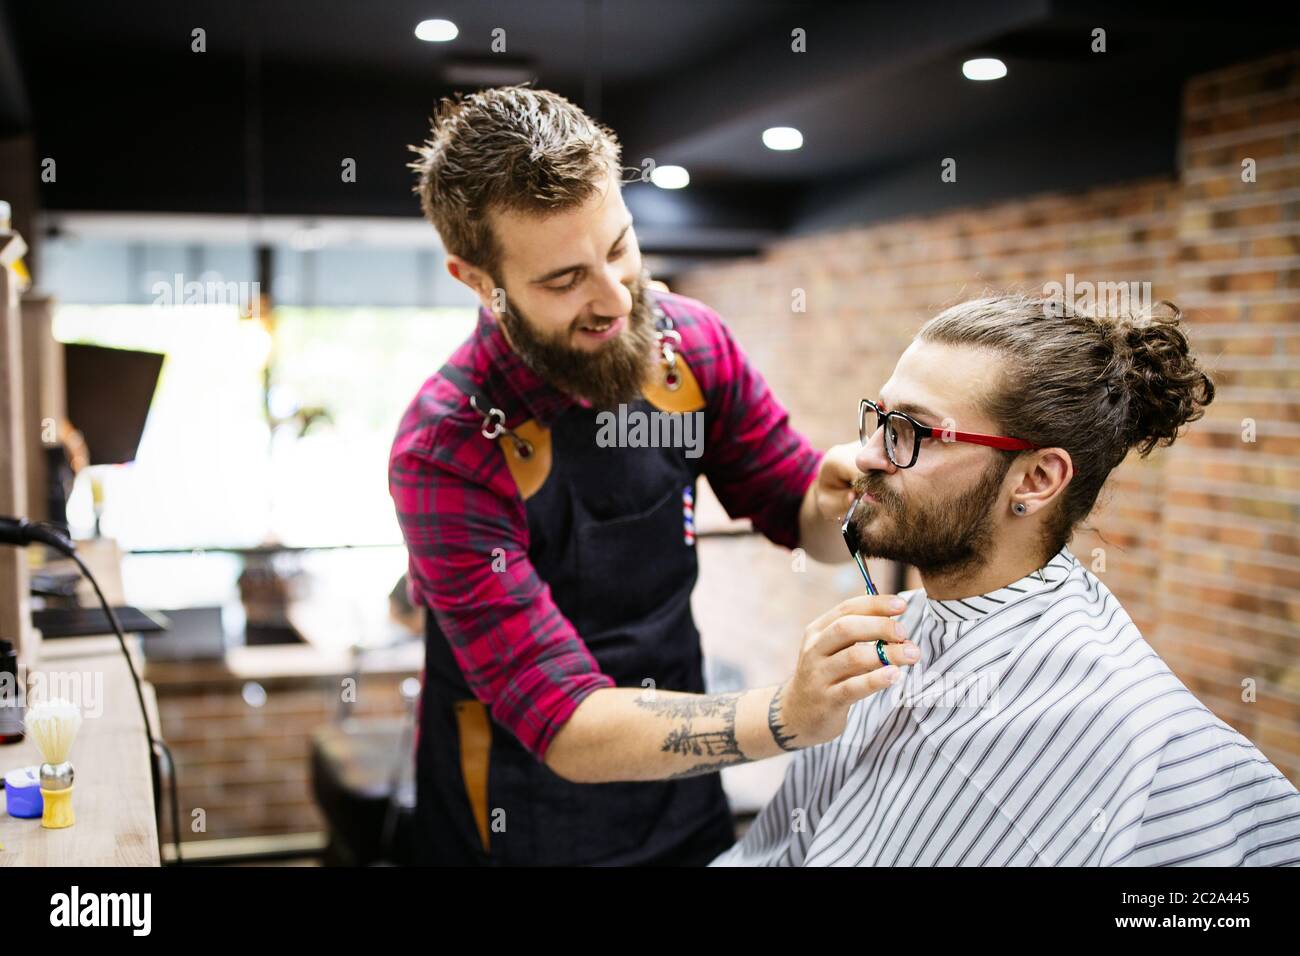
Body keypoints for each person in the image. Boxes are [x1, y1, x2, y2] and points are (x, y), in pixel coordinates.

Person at [390, 85, 910, 865]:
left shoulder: (689, 345)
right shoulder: (447, 449)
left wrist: (840, 502)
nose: (614, 298)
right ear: (476, 279)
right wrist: (784, 716)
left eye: (619, 247)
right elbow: (563, 723)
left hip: (684, 786)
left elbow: (798, 510)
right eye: (563, 281)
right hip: (514, 814)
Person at [712, 293, 1300, 866]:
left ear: (1037, 479)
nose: (865, 455)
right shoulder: (893, 637)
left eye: (912, 432)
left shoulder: (1132, 725)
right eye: (880, 419)